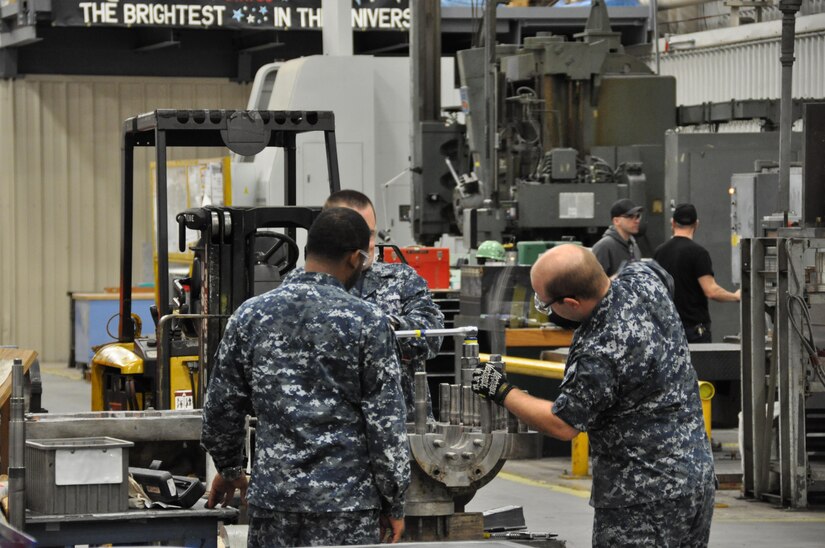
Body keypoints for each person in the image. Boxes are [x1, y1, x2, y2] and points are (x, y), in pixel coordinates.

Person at [471, 244, 715, 547]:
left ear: (571, 303)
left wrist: (501, 390)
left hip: (642, 500)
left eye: (545, 305)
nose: (545, 311)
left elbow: (563, 423)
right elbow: (660, 271)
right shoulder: (643, 280)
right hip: (696, 479)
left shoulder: (600, 350)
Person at [201, 207, 410, 547]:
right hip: (347, 509)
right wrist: (394, 500)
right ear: (356, 258)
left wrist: (230, 471)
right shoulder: (368, 322)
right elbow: (385, 425)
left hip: (274, 503)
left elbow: (221, 409)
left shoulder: (251, 315)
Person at [323, 190, 445, 422]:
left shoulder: (401, 280)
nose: (366, 244)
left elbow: (433, 335)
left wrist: (383, 326)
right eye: (354, 234)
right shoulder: (310, 287)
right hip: (335, 435)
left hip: (402, 429)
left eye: (369, 234)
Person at [653, 203, 740, 343]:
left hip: (666, 329)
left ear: (673, 222)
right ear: (696, 224)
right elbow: (711, 291)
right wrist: (735, 296)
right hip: (694, 331)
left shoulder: (659, 252)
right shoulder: (699, 253)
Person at [591, 198, 643, 276]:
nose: (637, 221)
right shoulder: (604, 246)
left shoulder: (634, 246)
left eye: (638, 216)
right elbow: (594, 282)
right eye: (631, 216)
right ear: (616, 221)